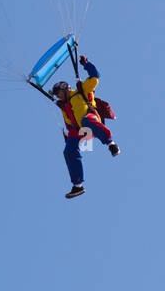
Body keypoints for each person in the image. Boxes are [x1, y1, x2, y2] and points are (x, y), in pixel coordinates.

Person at [51, 55, 119, 199]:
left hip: (91, 119)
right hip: (80, 131)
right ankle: (78, 185)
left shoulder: (82, 90)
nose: (58, 97)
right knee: (68, 151)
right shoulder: (65, 107)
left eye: (58, 93)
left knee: (86, 120)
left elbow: (95, 76)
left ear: (65, 88)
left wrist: (86, 64)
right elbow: (70, 127)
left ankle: (111, 144)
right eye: (56, 95)